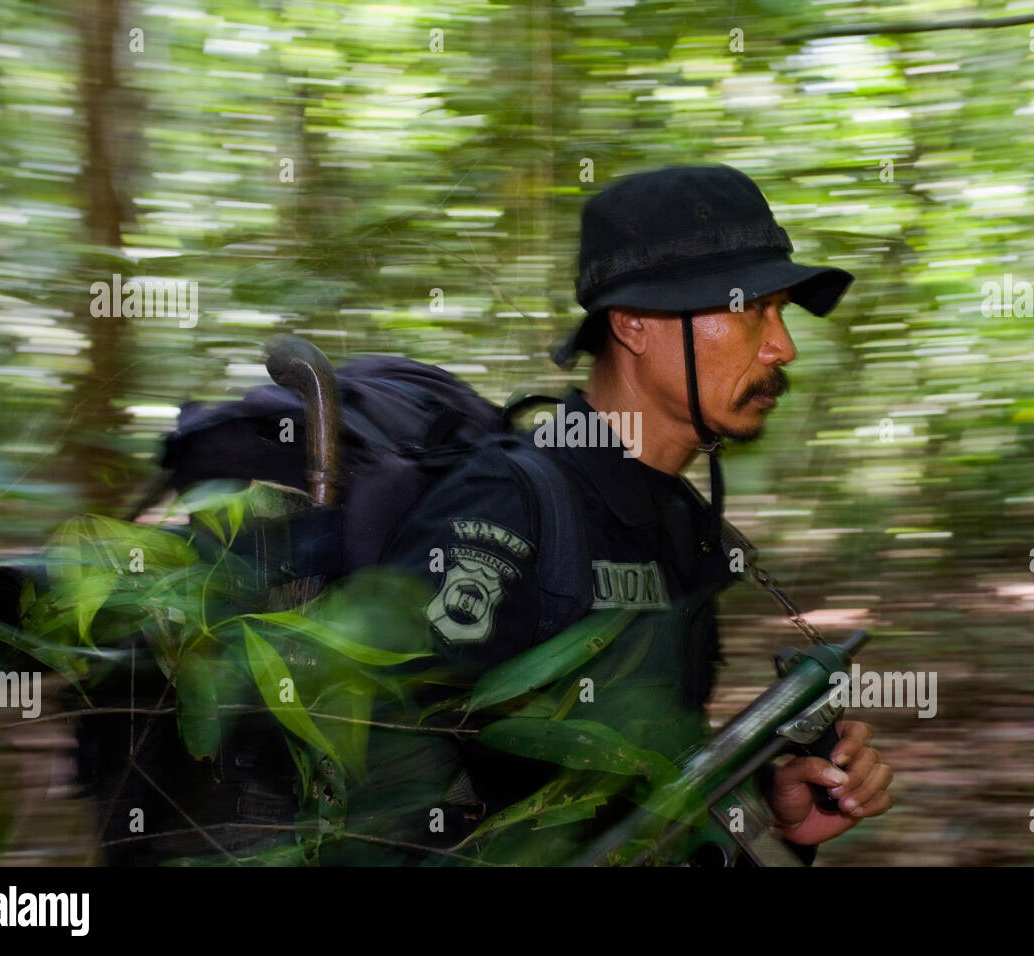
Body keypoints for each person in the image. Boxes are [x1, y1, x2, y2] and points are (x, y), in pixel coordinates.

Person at [370, 164, 894, 865]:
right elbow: (368, 792)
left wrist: (771, 815)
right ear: (635, 324)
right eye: (748, 310)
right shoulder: (507, 508)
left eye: (781, 312)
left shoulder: (678, 522)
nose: (783, 346)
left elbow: (643, 801)